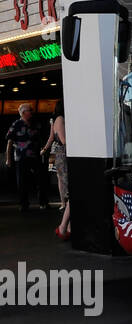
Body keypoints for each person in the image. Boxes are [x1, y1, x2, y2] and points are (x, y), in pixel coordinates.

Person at [5, 102, 48, 211]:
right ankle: (24, 204)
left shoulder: (36, 124)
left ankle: (43, 202)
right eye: (30, 110)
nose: (32, 112)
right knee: (22, 182)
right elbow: (9, 142)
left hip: (35, 157)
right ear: (24, 113)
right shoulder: (16, 125)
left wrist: (43, 150)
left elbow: (41, 139)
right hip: (21, 158)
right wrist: (8, 159)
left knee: (41, 179)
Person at [41, 101, 70, 240]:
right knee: (64, 179)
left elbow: (51, 137)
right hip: (62, 153)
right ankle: (64, 225)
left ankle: (66, 223)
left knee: (62, 179)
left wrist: (45, 149)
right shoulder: (60, 119)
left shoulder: (55, 119)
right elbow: (63, 139)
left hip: (58, 153)